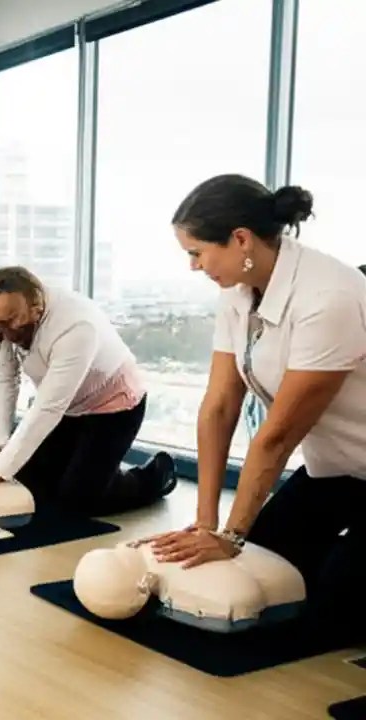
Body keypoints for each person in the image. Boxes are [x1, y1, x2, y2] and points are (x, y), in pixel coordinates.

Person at [140, 174, 366, 644]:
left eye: (197, 253)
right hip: (340, 468)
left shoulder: (329, 296)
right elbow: (220, 406)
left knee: (334, 606)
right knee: (266, 568)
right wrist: (207, 524)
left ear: (240, 238)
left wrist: (231, 535)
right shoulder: (238, 292)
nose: (194, 266)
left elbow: (279, 435)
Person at [0, 266, 176, 515]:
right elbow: (4, 378)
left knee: (75, 501)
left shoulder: (76, 326)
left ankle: (156, 474)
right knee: (27, 483)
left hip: (113, 407)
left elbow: (48, 407)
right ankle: (96, 467)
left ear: (36, 306)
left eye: (12, 321)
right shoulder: (1, 326)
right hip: (69, 407)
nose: (6, 333)